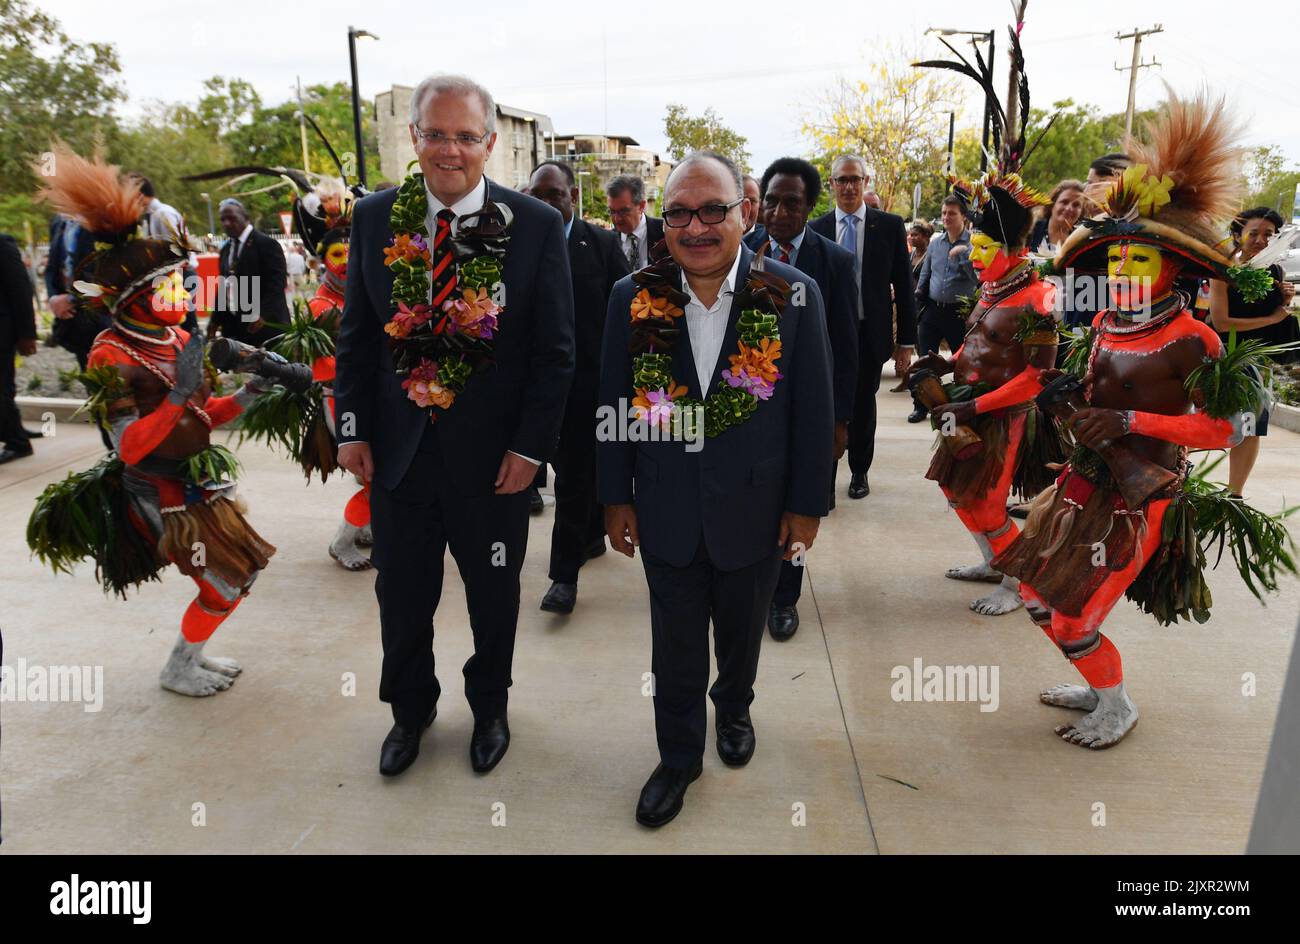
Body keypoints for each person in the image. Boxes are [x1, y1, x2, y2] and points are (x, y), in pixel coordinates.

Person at [995, 89, 1294, 749]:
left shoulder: (1195, 340)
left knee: (1074, 617)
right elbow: (1094, 404)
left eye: (1141, 256)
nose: (1125, 268)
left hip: (1143, 494)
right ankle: (1098, 682)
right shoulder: (1103, 323)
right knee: (1039, 595)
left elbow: (1223, 431)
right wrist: (1066, 396)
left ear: (1175, 264)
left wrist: (1131, 419)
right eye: (1118, 257)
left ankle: (1116, 703)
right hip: (1084, 481)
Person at [334, 73, 575, 778]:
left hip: (495, 466)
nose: (449, 150)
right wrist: (351, 427)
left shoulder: (532, 226)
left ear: (490, 143)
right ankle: (410, 713)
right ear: (414, 138)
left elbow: (555, 354)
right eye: (434, 134)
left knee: (494, 600)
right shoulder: (376, 218)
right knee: (401, 600)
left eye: (465, 136)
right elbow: (356, 337)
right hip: (398, 462)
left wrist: (531, 449)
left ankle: (490, 709)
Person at [598, 150, 834, 827]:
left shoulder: (792, 294)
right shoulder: (632, 297)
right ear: (662, 220)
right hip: (665, 506)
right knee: (673, 643)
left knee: (740, 631)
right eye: (679, 212)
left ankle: (734, 707)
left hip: (757, 509)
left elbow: (814, 410)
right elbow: (613, 403)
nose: (695, 226)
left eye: (713, 210)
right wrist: (616, 496)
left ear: (744, 213)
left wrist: (805, 505)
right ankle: (677, 759)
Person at [29, 144, 278, 696]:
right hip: (157, 491)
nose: (185, 290)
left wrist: (251, 393)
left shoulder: (181, 337)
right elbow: (128, 448)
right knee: (222, 581)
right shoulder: (109, 355)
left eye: (182, 279)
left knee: (240, 575)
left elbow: (204, 414)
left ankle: (190, 657)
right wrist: (178, 396)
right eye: (170, 285)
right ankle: (178, 667)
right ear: (135, 300)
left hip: (199, 484)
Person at [910, 20, 1064, 617]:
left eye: (980, 245)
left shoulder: (1037, 299)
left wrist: (971, 407)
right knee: (955, 492)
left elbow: (1037, 378)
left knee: (990, 505)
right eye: (970, 245)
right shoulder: (994, 287)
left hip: (1001, 419)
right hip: (962, 406)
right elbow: (978, 348)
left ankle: (1016, 583)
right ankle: (991, 560)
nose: (969, 254)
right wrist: (944, 365)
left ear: (1013, 246)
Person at [744, 156, 858, 640]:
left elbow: (847, 348)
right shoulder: (739, 252)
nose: (778, 211)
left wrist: (839, 421)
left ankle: (785, 598)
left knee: (798, 504)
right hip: (750, 407)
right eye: (771, 200)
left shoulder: (833, 261)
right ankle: (751, 588)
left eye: (791, 202)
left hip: (809, 408)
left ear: (811, 205)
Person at [528, 160, 630, 615]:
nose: (547, 202)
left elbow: (631, 313)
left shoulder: (603, 245)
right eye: (538, 194)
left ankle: (562, 578)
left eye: (555, 194)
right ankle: (588, 538)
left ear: (573, 197)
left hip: (588, 389)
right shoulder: (515, 246)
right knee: (576, 479)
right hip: (535, 385)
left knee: (571, 479)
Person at [809, 155, 916, 498]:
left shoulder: (888, 226)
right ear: (832, 184)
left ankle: (859, 472)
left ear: (865, 181)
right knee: (825, 404)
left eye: (855, 179)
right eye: (842, 180)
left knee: (861, 404)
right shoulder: (817, 229)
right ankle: (824, 477)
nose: (849, 186)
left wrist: (906, 343)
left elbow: (904, 285)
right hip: (825, 336)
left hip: (869, 334)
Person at [1207, 206, 1299, 497]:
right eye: (1254, 233)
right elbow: (1220, 322)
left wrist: (1283, 300)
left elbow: (1278, 316)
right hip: (1224, 359)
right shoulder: (1223, 270)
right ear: (1237, 234)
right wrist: (1272, 318)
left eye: (1269, 235)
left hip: (1259, 362)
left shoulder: (1275, 271)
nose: (1261, 239)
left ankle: (1234, 495)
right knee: (1205, 423)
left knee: (1251, 428)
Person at [911, 195, 977, 423]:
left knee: (961, 362)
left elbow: (976, 279)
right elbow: (926, 273)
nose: (946, 217)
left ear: (964, 217)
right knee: (924, 359)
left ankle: (959, 406)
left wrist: (962, 256)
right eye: (944, 213)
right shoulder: (936, 243)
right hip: (932, 310)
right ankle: (921, 406)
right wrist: (919, 295)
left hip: (959, 312)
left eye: (952, 213)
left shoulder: (973, 245)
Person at [208, 198, 289, 347]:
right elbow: (224, 287)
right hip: (236, 330)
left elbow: (277, 284)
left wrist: (263, 314)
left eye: (231, 218)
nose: (226, 223)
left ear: (245, 218)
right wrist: (214, 321)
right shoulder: (226, 250)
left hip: (265, 329)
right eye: (223, 220)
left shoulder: (267, 244)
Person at [1, 232, 38, 464]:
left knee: (2, 387)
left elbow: (21, 291)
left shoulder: (3, 245)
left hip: (3, 332)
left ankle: (17, 442)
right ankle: (16, 432)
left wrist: (27, 334)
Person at [606, 174, 663, 271]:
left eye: (623, 211)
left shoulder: (664, 232)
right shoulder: (606, 242)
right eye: (612, 211)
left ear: (641, 206)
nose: (617, 219)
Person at [1028, 179, 1086, 257]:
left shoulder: (1081, 242)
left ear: (1081, 212)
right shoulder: (1031, 229)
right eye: (1064, 202)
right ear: (1052, 205)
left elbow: (1074, 269)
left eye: (1076, 205)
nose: (1069, 208)